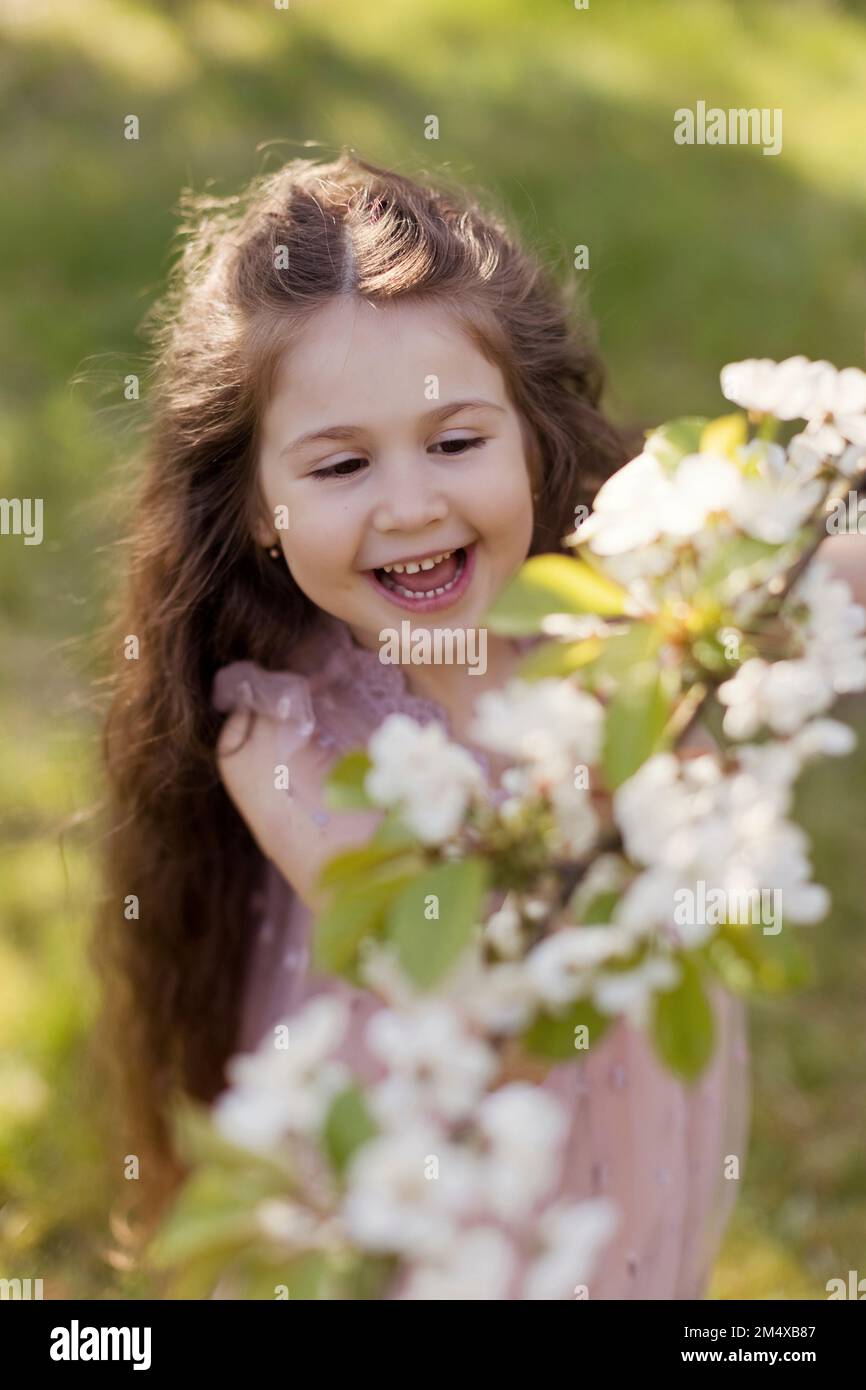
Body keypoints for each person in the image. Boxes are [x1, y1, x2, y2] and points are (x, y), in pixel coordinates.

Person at [99, 149, 848, 1297]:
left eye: (456, 443)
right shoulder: (281, 732)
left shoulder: (629, 609)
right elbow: (451, 980)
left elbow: (827, 566)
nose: (412, 506)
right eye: (341, 464)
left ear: (529, 436)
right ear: (255, 504)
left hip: (622, 1100)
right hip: (421, 1146)